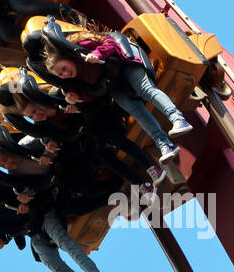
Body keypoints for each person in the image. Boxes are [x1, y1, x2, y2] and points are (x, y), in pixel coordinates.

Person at [38, 24, 192, 169]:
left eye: (64, 68)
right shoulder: (75, 80)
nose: (65, 74)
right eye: (61, 74)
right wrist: (77, 98)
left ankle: (177, 118)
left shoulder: (82, 47)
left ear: (68, 58)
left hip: (125, 64)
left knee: (146, 90)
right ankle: (165, 144)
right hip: (114, 84)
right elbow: (91, 94)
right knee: (136, 111)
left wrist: (96, 54)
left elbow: (110, 43)